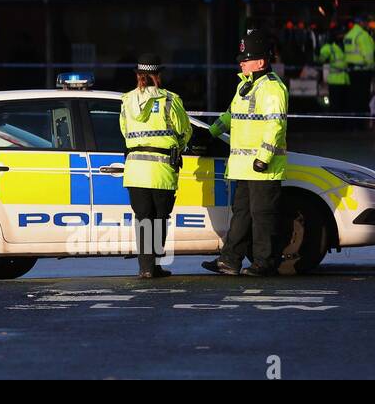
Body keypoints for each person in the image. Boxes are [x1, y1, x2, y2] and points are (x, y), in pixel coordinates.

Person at [203, 29, 289, 276]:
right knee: (241, 214)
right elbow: (231, 116)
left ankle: (266, 263)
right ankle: (229, 260)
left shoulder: (272, 88)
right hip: (244, 166)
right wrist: (209, 133)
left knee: (262, 216)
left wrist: (263, 158)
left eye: (246, 59)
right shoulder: (245, 86)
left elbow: (276, 125)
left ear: (260, 62)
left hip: (263, 167)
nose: (241, 62)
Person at [118, 53, 189, 279]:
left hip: (135, 171)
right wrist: (179, 145)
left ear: (138, 75)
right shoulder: (170, 99)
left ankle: (145, 267)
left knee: (142, 218)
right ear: (158, 75)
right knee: (159, 218)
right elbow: (184, 130)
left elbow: (124, 131)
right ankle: (155, 265)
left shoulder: (127, 100)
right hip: (161, 171)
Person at [342, 17, 375, 128]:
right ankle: (362, 124)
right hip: (363, 71)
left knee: (353, 99)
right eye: (366, 22)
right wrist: (372, 66)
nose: (368, 25)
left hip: (352, 72)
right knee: (362, 99)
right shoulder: (363, 36)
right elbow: (368, 56)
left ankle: (353, 124)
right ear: (362, 23)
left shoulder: (349, 35)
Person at [317, 26, 350, 127]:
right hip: (335, 81)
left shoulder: (346, 46)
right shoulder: (329, 47)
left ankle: (342, 125)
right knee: (335, 106)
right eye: (340, 34)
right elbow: (320, 59)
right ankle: (335, 125)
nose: (342, 36)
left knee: (343, 105)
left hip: (345, 80)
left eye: (343, 34)